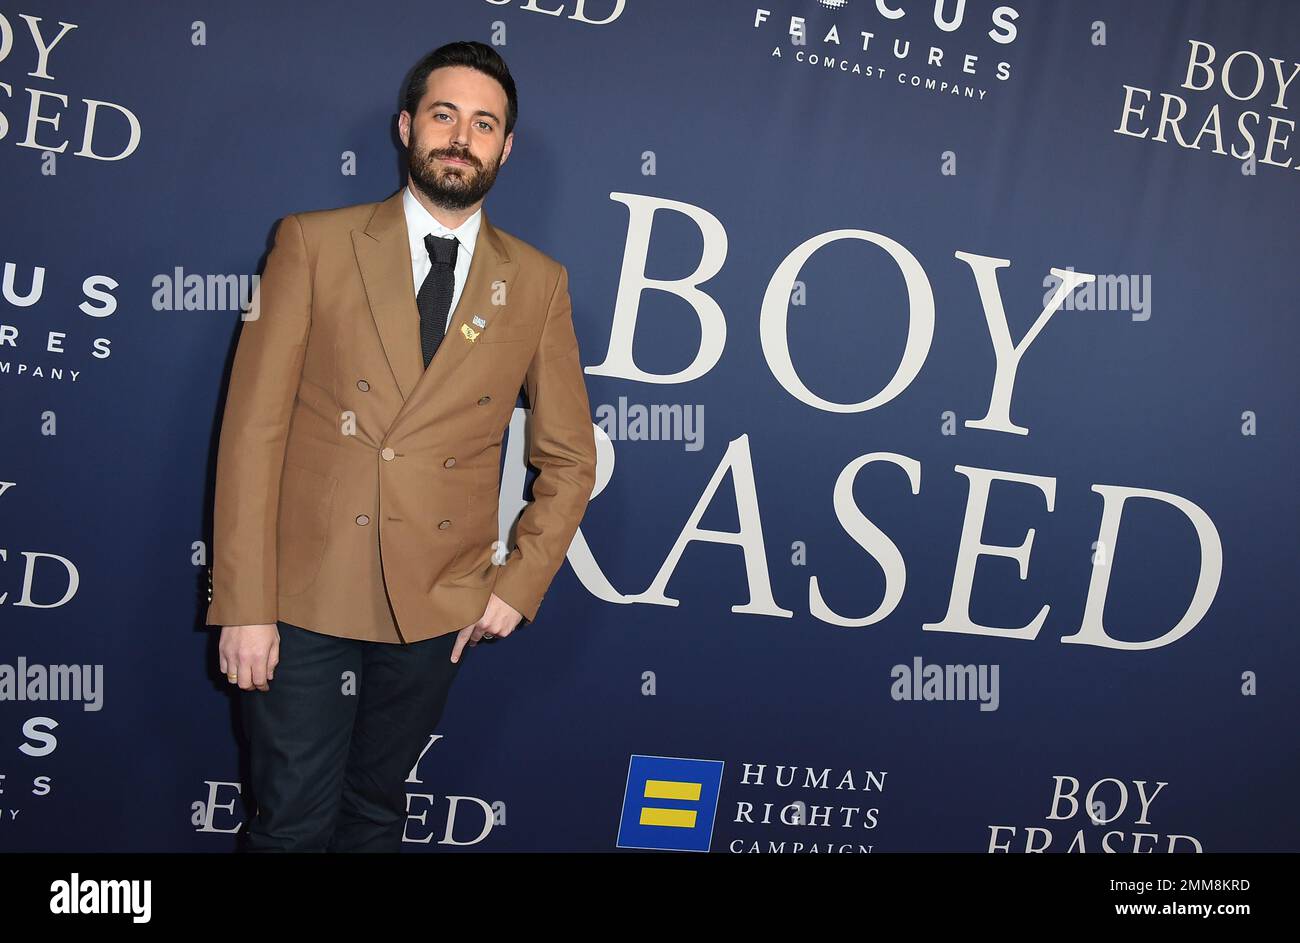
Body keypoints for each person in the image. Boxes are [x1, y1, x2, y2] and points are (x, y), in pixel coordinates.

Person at [204, 40, 598, 852]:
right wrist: (244, 603)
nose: (462, 137)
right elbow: (252, 432)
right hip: (303, 599)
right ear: (406, 125)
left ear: (505, 147)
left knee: (377, 817)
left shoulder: (537, 281)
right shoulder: (314, 243)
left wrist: (516, 584)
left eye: (484, 124)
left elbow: (568, 457)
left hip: (435, 605)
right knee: (290, 826)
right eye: (445, 115)